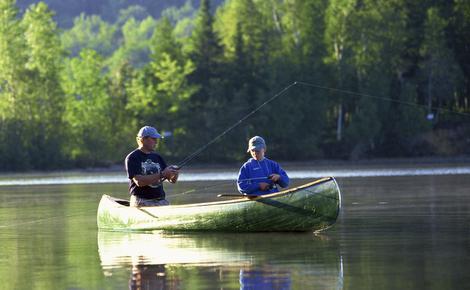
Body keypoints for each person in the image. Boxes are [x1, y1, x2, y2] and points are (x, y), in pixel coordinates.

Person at [125, 125, 179, 207]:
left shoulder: (157, 157)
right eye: (153, 139)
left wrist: (174, 173)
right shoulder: (132, 157)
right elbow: (139, 182)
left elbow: (171, 180)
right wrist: (162, 174)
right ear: (143, 139)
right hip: (141, 201)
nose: (156, 142)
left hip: (161, 201)